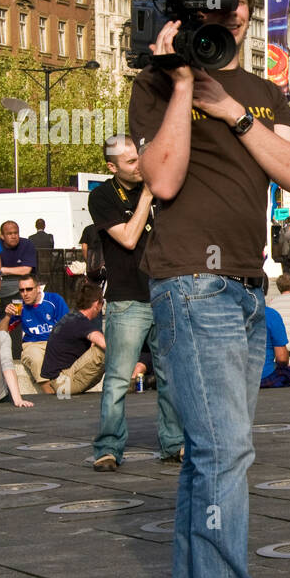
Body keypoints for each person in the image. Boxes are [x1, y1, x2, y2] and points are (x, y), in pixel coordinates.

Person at [134, 0, 290, 578]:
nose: (231, 14)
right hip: (191, 284)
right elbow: (164, 177)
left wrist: (232, 109)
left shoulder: (264, 92)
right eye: (217, 5)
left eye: (238, 4)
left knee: (206, 462)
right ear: (192, 13)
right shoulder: (155, 83)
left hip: (246, 287)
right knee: (224, 455)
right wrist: (183, 84)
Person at [89, 135, 182, 473]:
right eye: (131, 162)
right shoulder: (102, 197)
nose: (140, 165)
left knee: (172, 376)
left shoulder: (165, 188)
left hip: (166, 292)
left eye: (141, 157)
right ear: (112, 167)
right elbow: (128, 238)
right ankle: (108, 448)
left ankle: (174, 444)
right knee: (117, 378)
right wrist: (146, 195)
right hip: (128, 299)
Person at [39, 284, 106, 396]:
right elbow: (104, 344)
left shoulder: (72, 317)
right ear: (96, 304)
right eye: (102, 303)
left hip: (60, 380)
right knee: (102, 350)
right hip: (63, 384)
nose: (102, 307)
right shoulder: (80, 322)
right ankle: (125, 380)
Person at [0, 276, 67, 384]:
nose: (25, 293)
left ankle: (61, 395)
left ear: (38, 288)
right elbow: (1, 333)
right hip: (32, 344)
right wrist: (7, 316)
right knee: (36, 359)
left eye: (29, 289)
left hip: (54, 343)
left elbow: (67, 326)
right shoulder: (19, 306)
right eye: (21, 290)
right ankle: (51, 397)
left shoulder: (54, 300)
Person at [0, 220, 37, 357]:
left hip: (18, 290)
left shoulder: (26, 244)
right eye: (9, 234)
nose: (14, 236)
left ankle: (16, 353)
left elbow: (26, 269)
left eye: (16, 233)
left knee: (16, 319)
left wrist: (3, 270)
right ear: (2, 235)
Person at [260, 296, 290, 388]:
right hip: (265, 376)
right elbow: (282, 358)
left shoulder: (233, 314)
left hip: (238, 378)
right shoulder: (271, 314)